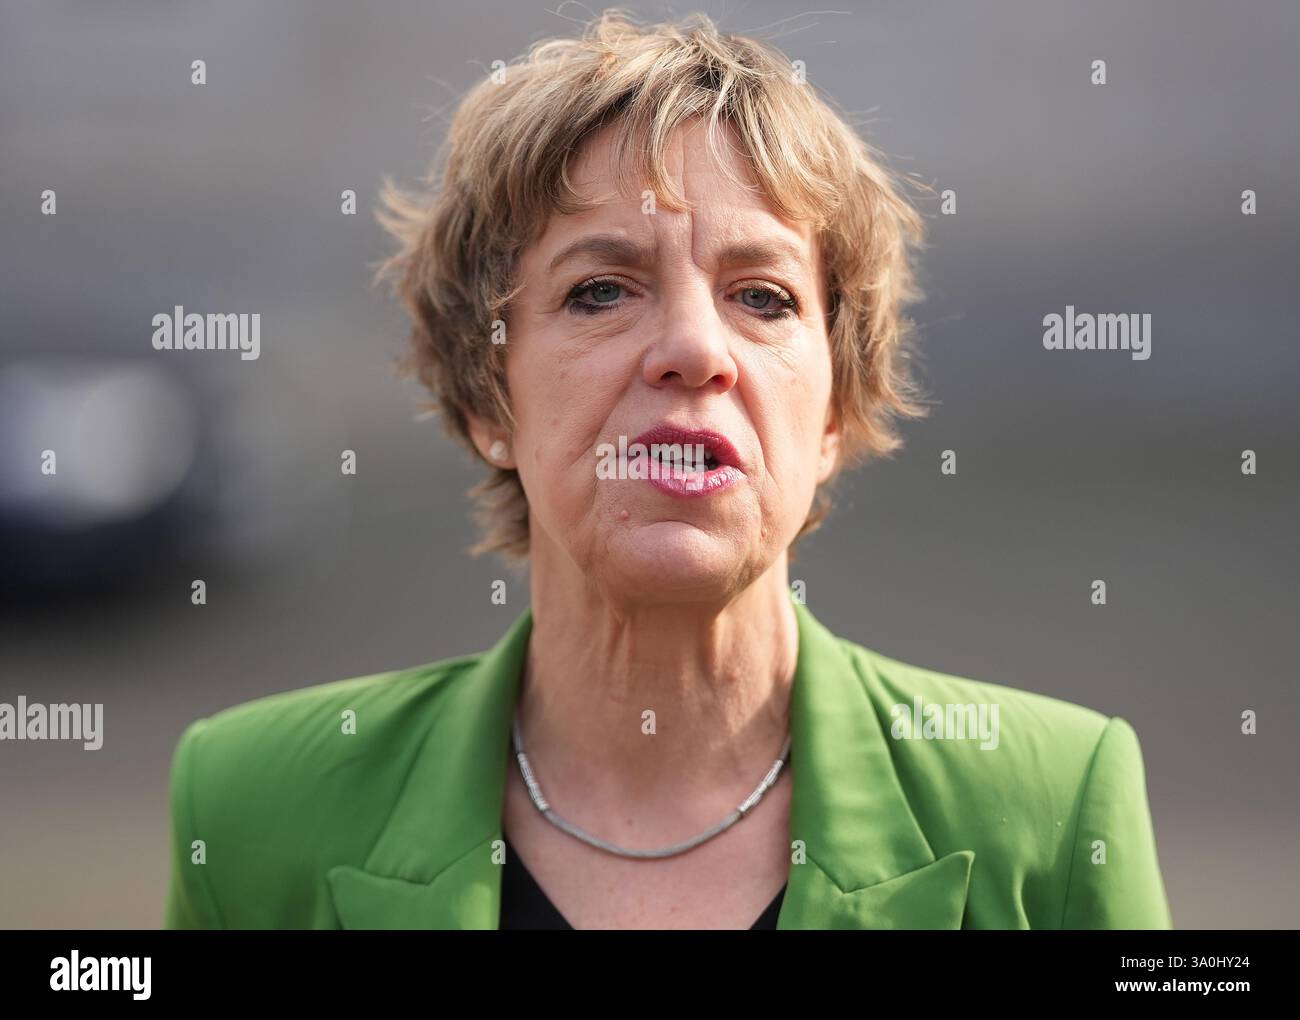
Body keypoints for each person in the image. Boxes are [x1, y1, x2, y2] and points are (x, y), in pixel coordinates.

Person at [164, 9, 1172, 930]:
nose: (694, 348)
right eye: (601, 291)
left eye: (764, 297)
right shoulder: (251, 805)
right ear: (485, 398)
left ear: (835, 409)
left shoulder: (1051, 807)